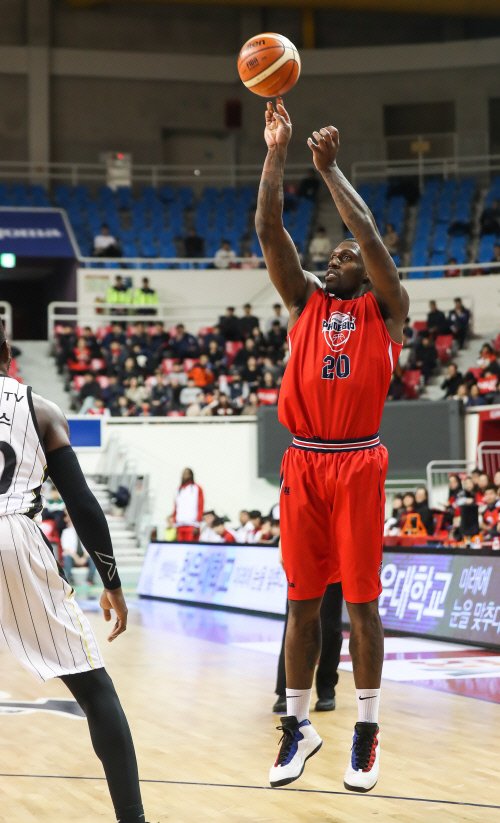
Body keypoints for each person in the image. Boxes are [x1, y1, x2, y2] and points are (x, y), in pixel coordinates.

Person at [255, 99, 408, 793]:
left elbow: (370, 234)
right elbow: (268, 228)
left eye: (347, 254)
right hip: (305, 460)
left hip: (358, 460)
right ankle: (297, 727)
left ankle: (367, 731)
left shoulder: (386, 308)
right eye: (334, 252)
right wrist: (277, 151)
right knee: (301, 604)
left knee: (362, 607)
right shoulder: (305, 302)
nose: (338, 254)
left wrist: (330, 169)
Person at [0, 323, 148, 823]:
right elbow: (83, 504)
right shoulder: (40, 409)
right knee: (92, 687)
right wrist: (112, 584)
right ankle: (132, 818)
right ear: (8, 353)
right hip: (14, 537)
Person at [273, 582, 343, 715]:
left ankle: (327, 691)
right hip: (301, 561)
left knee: (330, 625)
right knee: (295, 621)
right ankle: (285, 691)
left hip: (335, 564)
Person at [172, 467, 204, 542]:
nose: (184, 475)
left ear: (191, 475)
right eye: (183, 473)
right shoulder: (178, 490)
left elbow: (200, 506)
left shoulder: (197, 488)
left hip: (192, 524)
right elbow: (176, 507)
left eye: (187, 473)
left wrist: (197, 523)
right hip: (180, 524)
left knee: (191, 546)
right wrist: (174, 521)